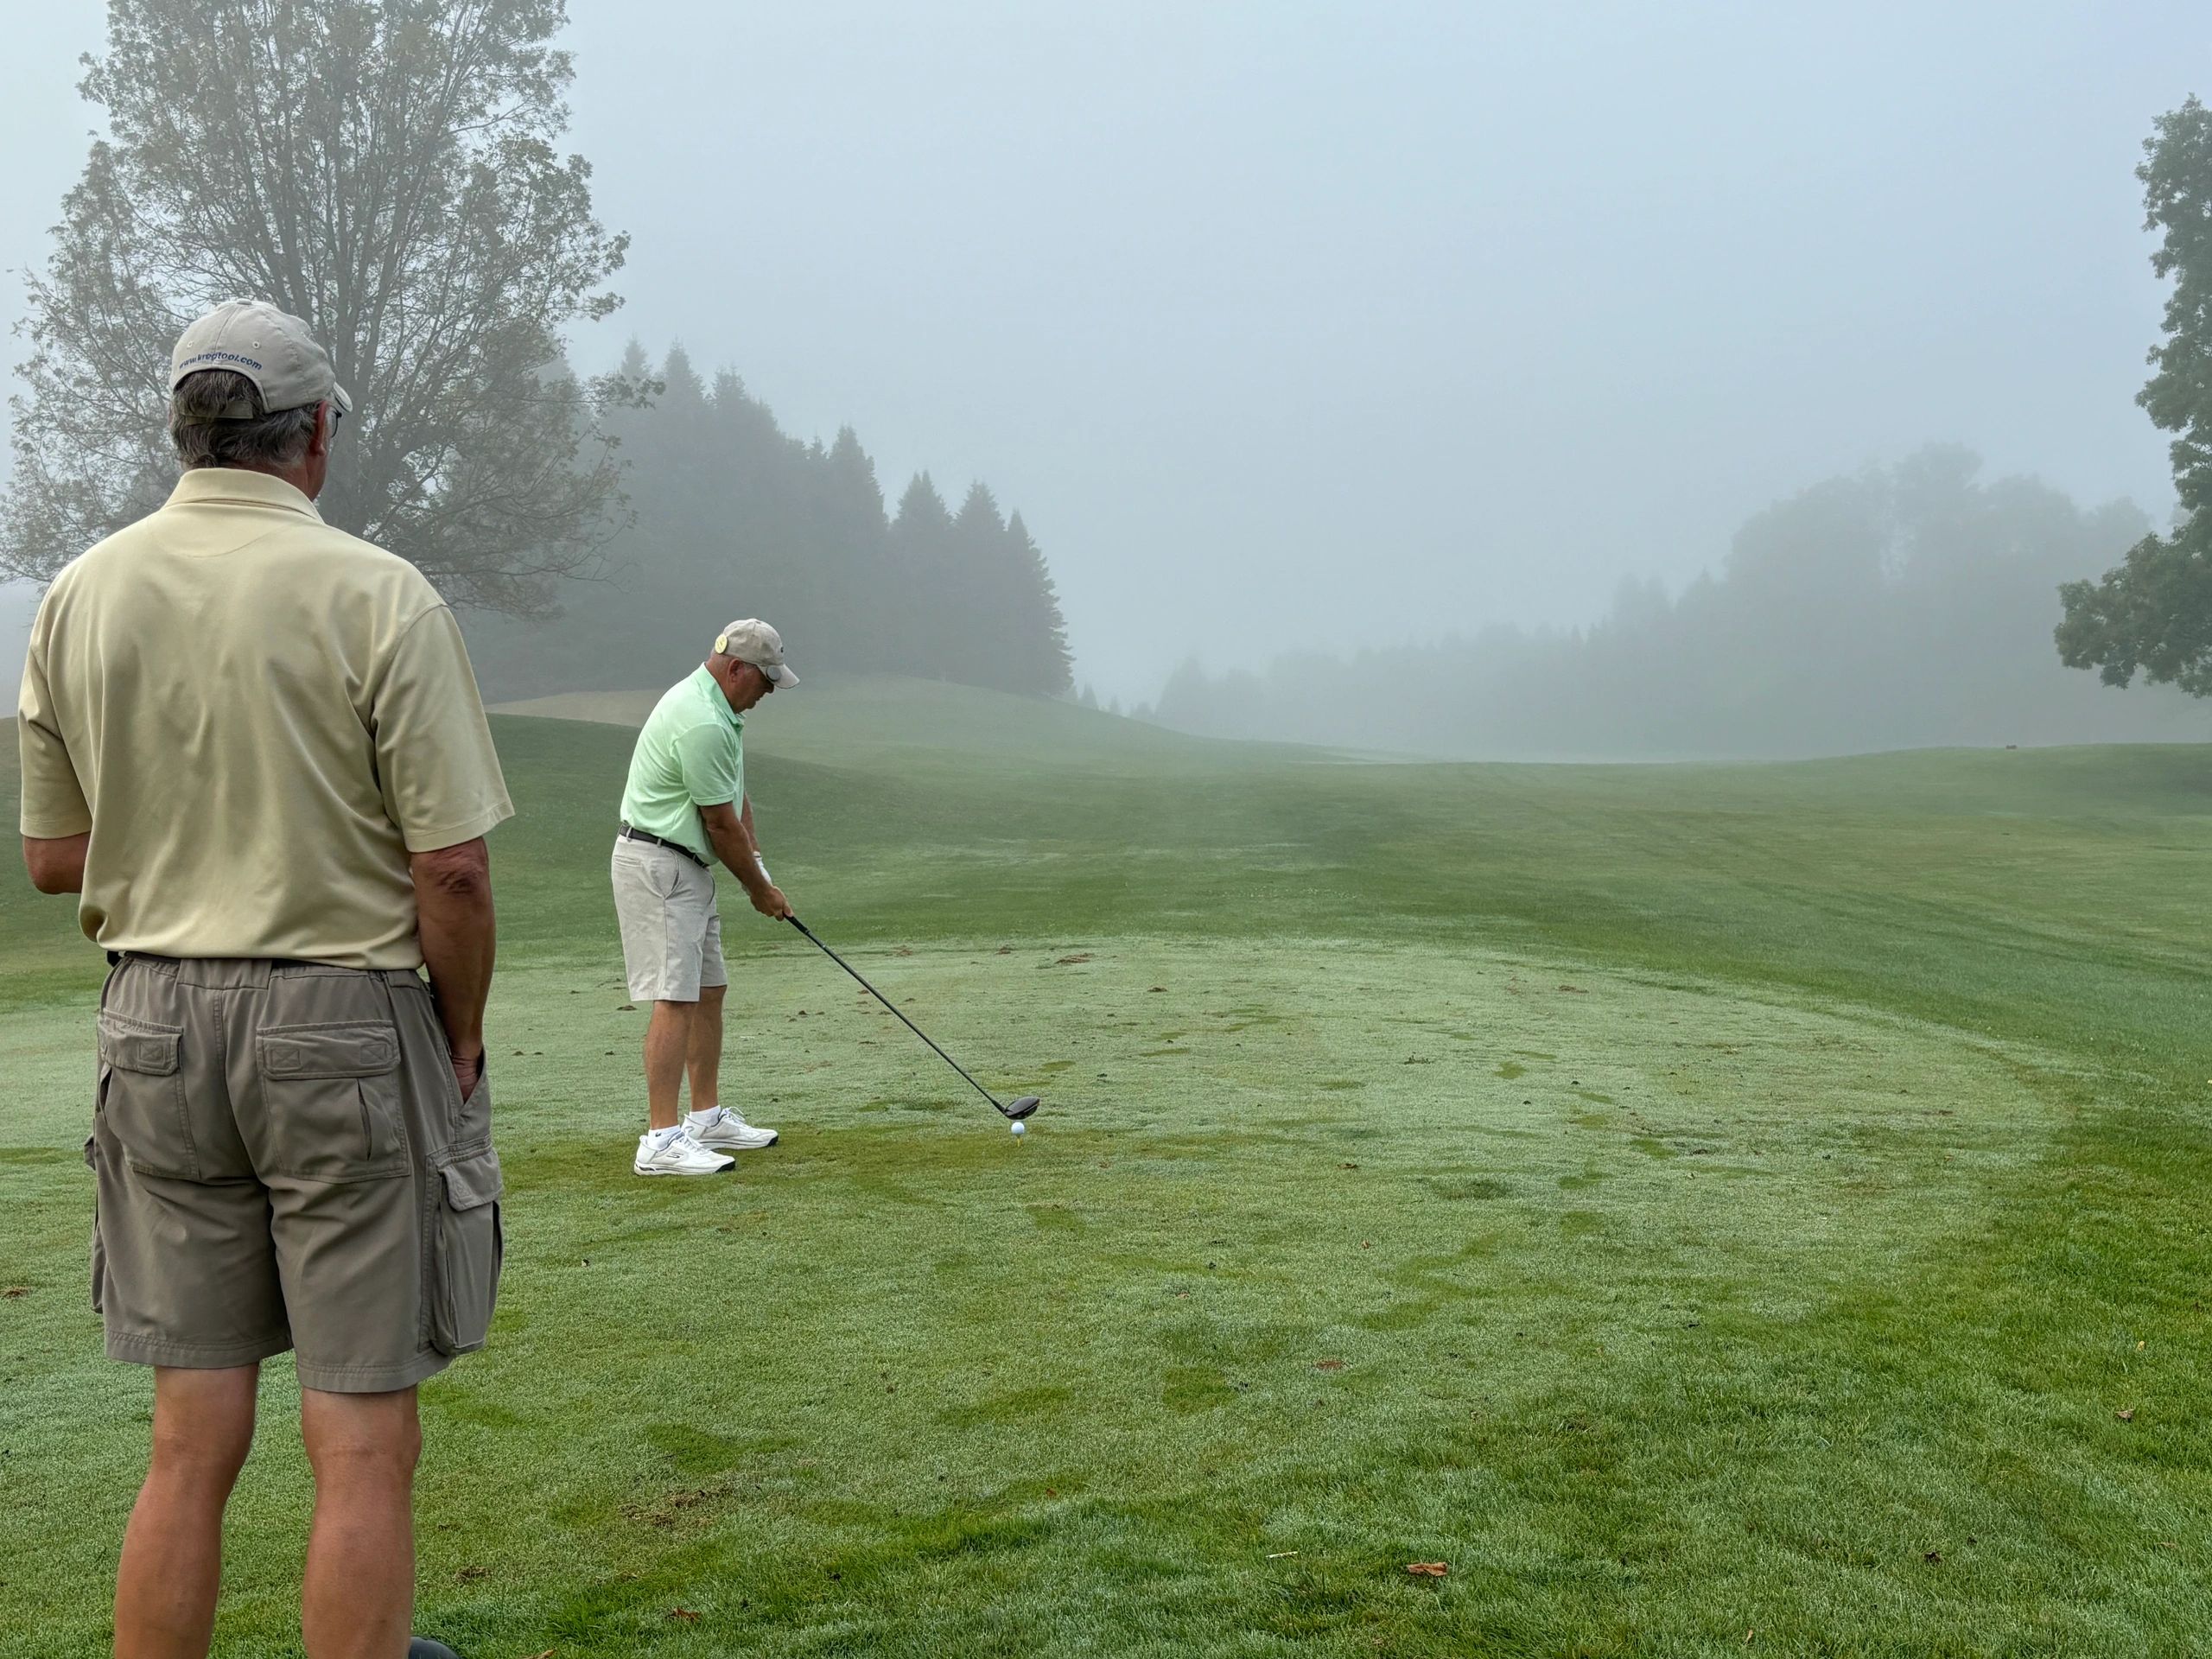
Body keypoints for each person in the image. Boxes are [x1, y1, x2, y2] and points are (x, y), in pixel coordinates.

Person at [16, 298, 509, 1659]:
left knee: (190, 1436)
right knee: (361, 1437)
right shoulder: (377, 592)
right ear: (318, 438)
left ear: (184, 432)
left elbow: (55, 859)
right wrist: (458, 1036)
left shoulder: (80, 591)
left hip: (154, 1029)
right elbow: (453, 874)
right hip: (342, 1023)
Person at [612, 620, 798, 1175]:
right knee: (676, 996)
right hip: (660, 863)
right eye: (764, 682)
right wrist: (758, 891)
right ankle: (661, 1141)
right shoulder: (701, 721)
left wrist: (759, 866)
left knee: (708, 989)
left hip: (687, 866)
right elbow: (717, 823)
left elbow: (735, 799)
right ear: (736, 668)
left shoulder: (722, 711)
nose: (767, 694)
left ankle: (705, 1116)